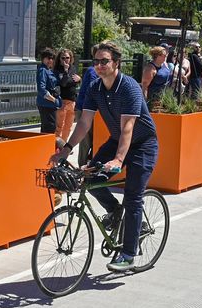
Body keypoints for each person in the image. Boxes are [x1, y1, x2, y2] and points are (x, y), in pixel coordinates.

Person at [52, 42, 158, 273]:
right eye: (96, 61)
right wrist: (67, 149)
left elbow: (128, 126)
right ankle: (115, 210)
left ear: (116, 63)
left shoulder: (129, 87)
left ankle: (128, 255)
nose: (99, 65)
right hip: (116, 140)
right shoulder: (95, 88)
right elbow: (84, 122)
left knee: (133, 197)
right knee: (89, 179)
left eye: (104, 61)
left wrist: (119, 160)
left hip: (142, 145)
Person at [55, 48, 82, 144]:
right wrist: (66, 72)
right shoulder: (57, 70)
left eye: (67, 58)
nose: (65, 60)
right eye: (63, 58)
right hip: (62, 101)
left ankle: (64, 145)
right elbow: (63, 83)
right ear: (59, 59)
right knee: (59, 126)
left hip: (72, 101)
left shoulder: (73, 68)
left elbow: (75, 81)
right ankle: (56, 146)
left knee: (68, 126)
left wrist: (79, 79)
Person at [36, 48, 62, 135]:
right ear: (43, 58)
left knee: (47, 128)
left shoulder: (48, 70)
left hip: (49, 104)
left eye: (52, 58)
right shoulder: (43, 70)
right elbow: (41, 89)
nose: (50, 60)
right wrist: (54, 100)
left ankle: (43, 144)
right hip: (46, 104)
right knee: (49, 128)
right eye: (48, 58)